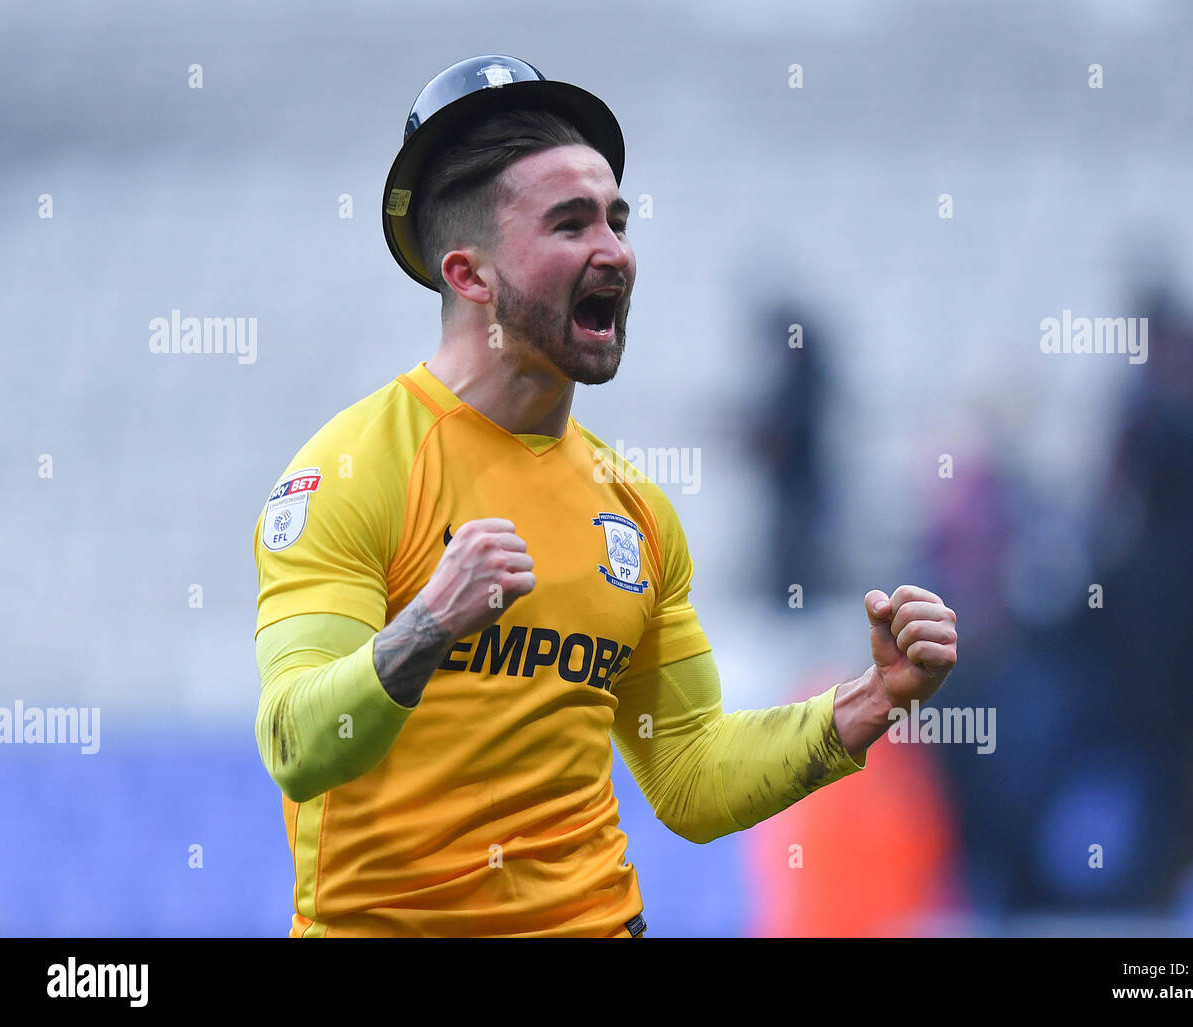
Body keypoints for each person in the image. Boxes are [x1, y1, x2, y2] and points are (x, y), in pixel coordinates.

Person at [252, 55, 958, 938]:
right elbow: (295, 746)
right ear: (470, 277)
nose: (615, 251)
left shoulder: (634, 510)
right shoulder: (352, 473)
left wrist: (870, 700)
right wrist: (429, 624)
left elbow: (691, 775)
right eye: (570, 223)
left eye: (617, 220)